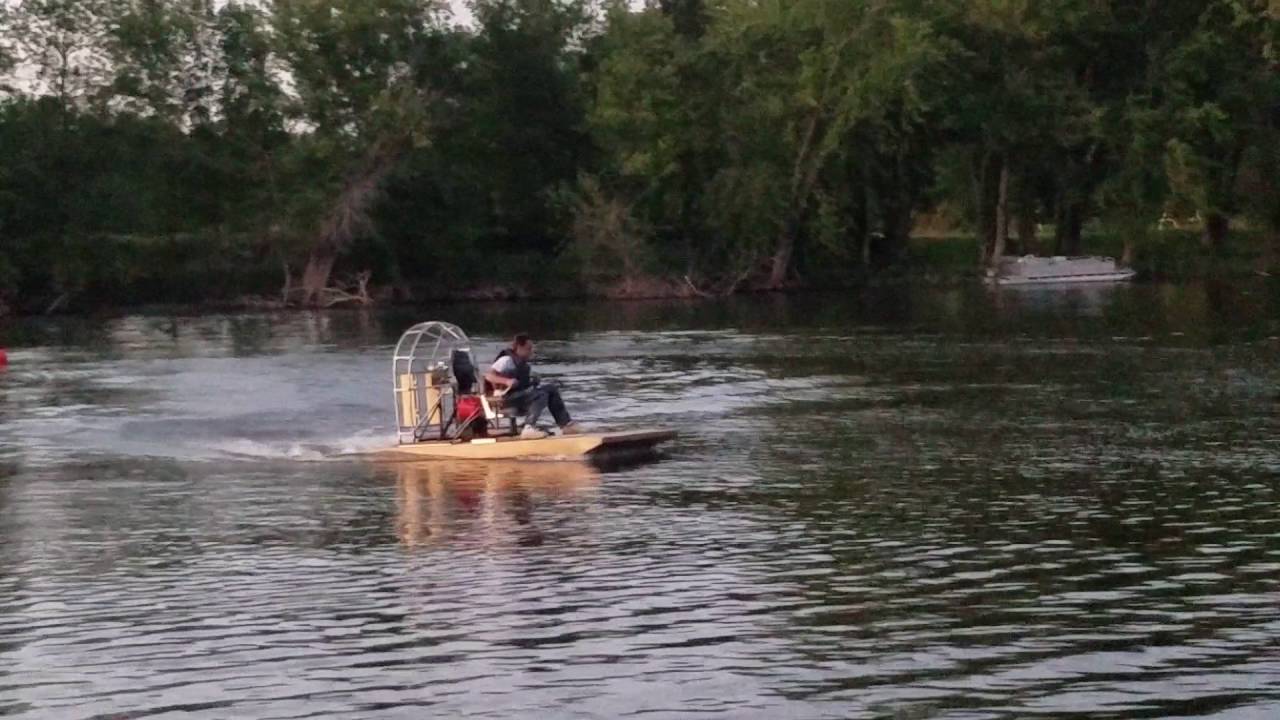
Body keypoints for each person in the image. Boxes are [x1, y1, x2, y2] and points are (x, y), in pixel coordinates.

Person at [484, 333, 579, 439]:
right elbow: (489, 376)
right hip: (504, 399)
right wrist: (506, 381)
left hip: (518, 396)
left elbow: (522, 385)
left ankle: (565, 425)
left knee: (551, 389)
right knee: (540, 395)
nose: (531, 352)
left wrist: (532, 382)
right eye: (528, 349)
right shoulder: (506, 360)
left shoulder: (522, 363)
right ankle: (528, 428)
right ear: (519, 347)